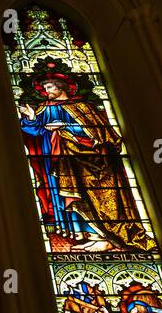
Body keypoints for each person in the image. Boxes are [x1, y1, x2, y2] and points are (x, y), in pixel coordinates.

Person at [18, 75, 152, 251]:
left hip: (88, 157)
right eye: (45, 89)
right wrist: (31, 118)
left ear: (61, 88)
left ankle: (106, 237)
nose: (47, 92)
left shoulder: (83, 107)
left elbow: (98, 132)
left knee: (95, 194)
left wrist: (65, 127)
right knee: (69, 195)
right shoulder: (45, 108)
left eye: (50, 87)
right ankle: (85, 235)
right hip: (60, 159)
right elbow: (34, 131)